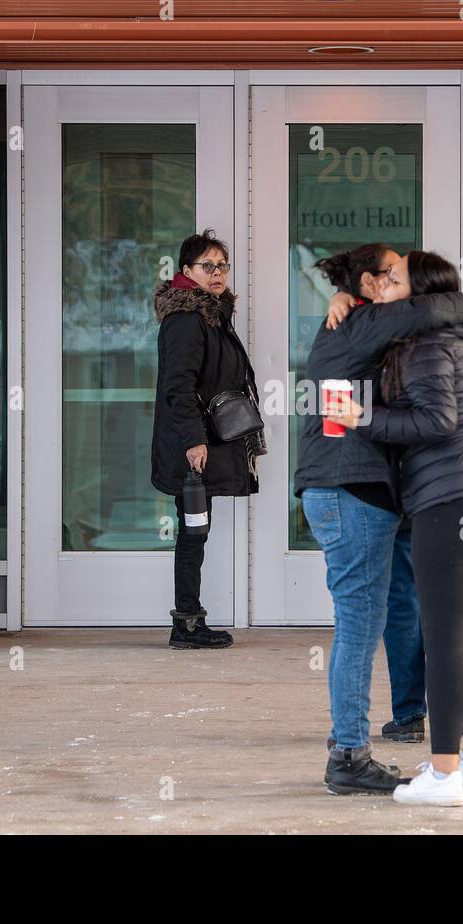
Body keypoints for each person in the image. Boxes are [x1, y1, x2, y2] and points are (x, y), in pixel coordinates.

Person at [328, 250, 463, 807]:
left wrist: (364, 419)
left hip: (453, 504)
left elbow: (437, 422)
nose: (384, 283)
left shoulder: (427, 346)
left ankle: (442, 776)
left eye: (395, 278)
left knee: (441, 645)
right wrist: (343, 299)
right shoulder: (460, 340)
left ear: (419, 294)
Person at [295, 243, 463, 795]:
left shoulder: (358, 322)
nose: (402, 282)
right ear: (374, 284)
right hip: (347, 489)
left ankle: (359, 735)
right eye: (394, 274)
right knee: (358, 626)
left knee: (370, 618)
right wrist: (349, 296)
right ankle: (349, 755)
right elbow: (449, 306)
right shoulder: (364, 320)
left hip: (350, 489)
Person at [151, 229, 263, 649]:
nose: (218, 273)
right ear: (186, 271)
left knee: (196, 530)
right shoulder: (186, 321)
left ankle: (190, 621)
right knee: (193, 532)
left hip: (200, 442)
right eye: (208, 266)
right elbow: (178, 387)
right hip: (193, 448)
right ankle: (187, 624)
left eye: (222, 266)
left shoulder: (211, 315)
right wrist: (194, 442)